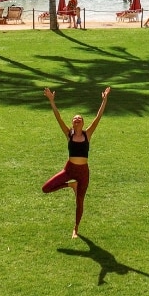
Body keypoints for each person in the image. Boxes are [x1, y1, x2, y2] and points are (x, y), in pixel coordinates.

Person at [43, 86, 110, 238]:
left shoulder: (88, 134)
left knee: (80, 201)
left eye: (79, 118)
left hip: (83, 172)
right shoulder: (69, 134)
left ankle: (76, 228)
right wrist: (52, 101)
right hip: (69, 170)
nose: (77, 119)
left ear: (83, 122)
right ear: (73, 123)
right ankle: (70, 185)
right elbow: (58, 118)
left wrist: (104, 100)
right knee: (46, 188)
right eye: (75, 118)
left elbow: (98, 117)